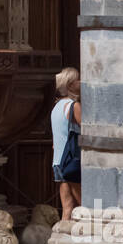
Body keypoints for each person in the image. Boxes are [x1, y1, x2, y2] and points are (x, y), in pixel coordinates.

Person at [50, 67, 82, 223]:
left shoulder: (56, 107)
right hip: (71, 161)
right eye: (78, 80)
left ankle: (61, 242)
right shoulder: (73, 106)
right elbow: (88, 130)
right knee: (85, 207)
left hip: (58, 163)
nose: (81, 82)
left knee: (67, 210)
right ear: (70, 84)